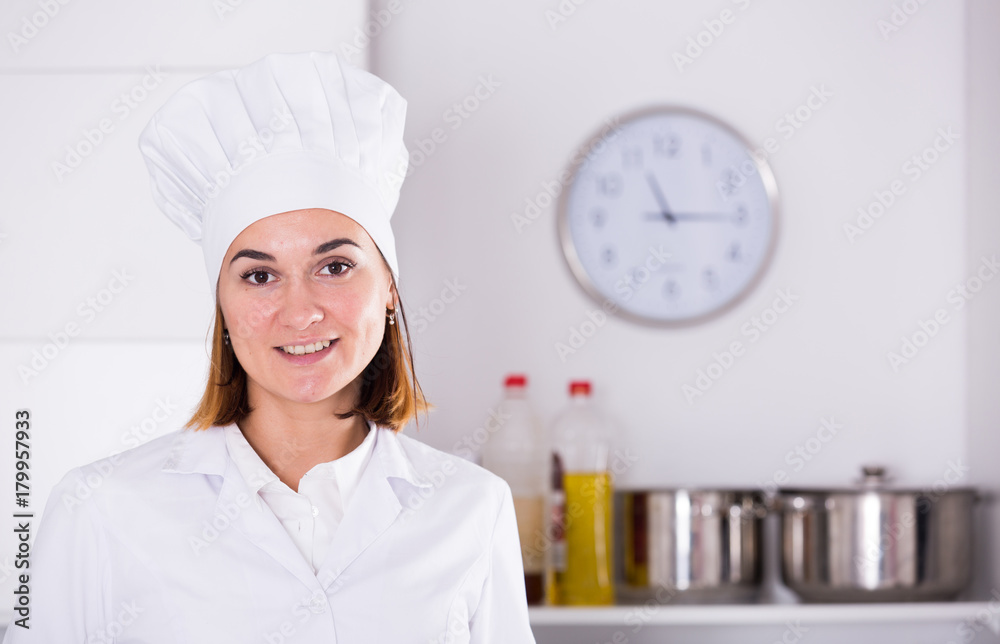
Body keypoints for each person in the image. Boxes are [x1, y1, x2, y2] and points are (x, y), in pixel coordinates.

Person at [2, 51, 536, 643]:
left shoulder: (471, 509)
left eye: (335, 266)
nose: (300, 311)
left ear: (389, 286)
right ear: (223, 305)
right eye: (259, 275)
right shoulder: (101, 511)